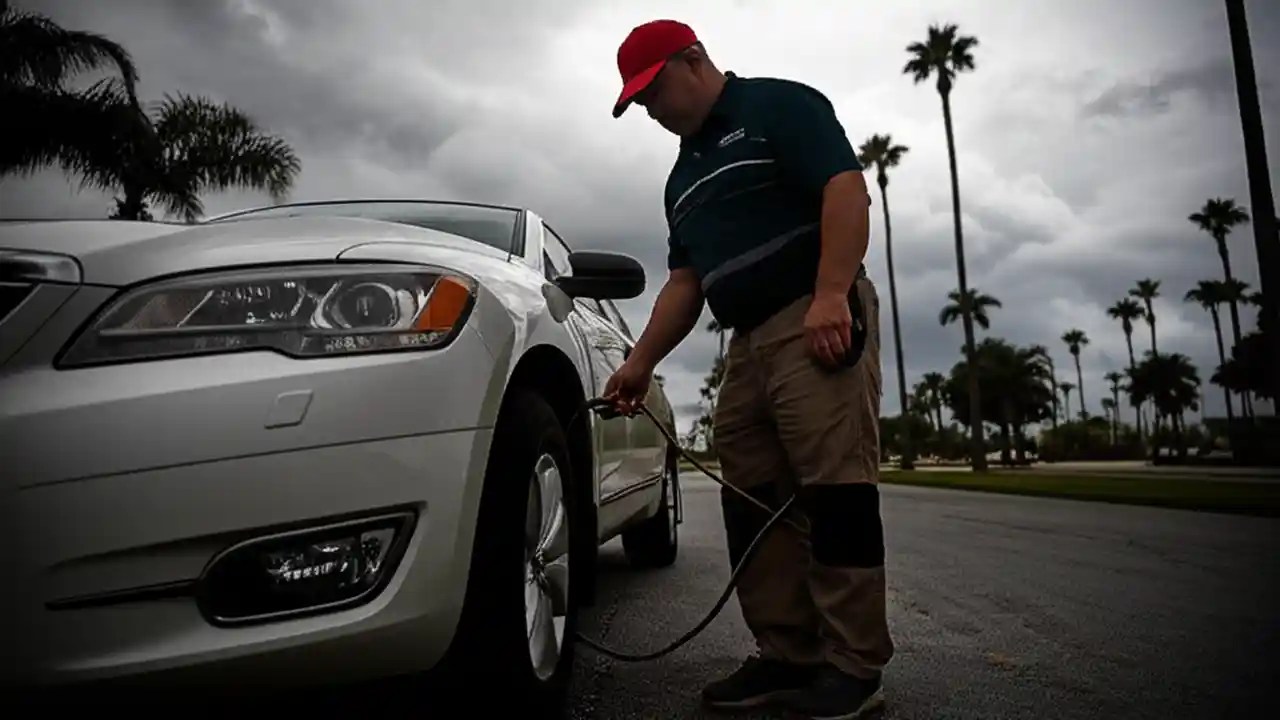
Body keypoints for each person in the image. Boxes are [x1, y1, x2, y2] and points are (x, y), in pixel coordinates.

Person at [602, 18, 894, 720]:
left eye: (652, 90)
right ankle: (788, 653)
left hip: (812, 312)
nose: (648, 109)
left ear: (693, 59)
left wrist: (831, 295)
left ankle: (853, 665)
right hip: (746, 340)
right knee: (752, 497)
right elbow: (685, 282)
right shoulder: (682, 179)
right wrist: (639, 363)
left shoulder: (778, 106)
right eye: (636, 102)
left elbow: (845, 191)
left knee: (835, 489)